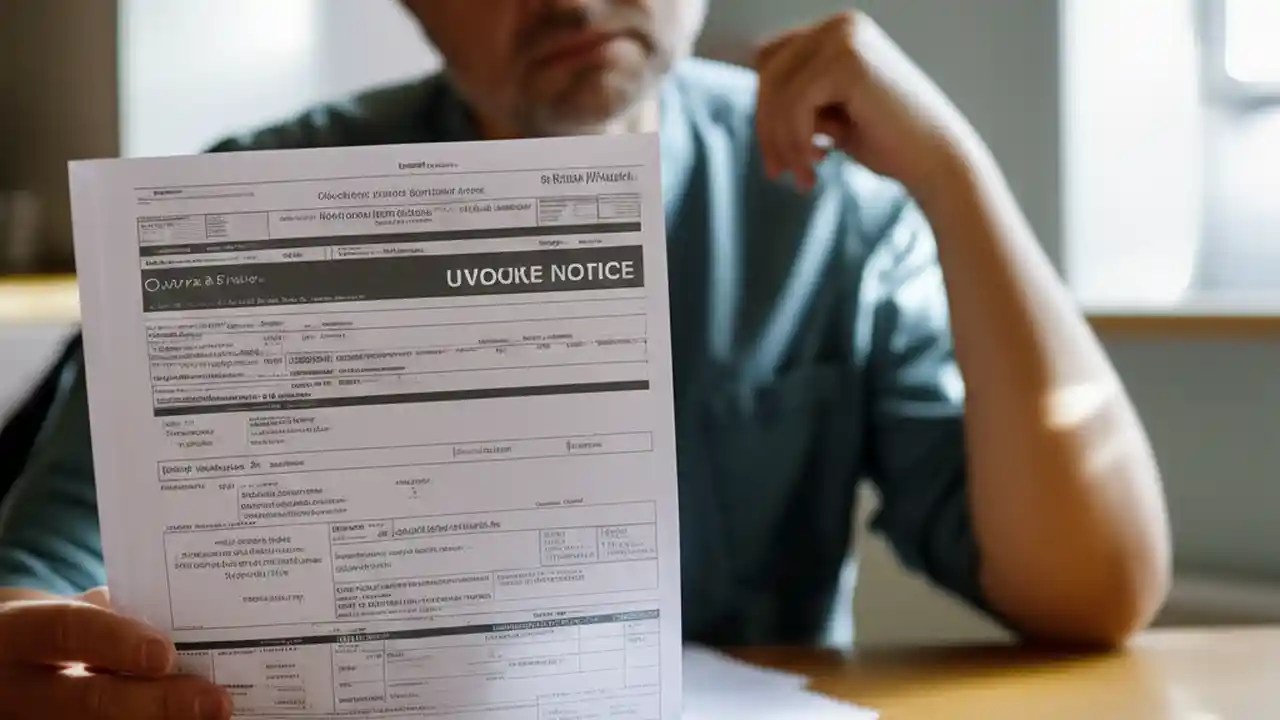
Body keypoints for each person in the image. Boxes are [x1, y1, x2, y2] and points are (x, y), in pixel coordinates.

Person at [0, 1, 1171, 718]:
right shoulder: (238, 206)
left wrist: (956, 177)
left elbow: (1090, 596)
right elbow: (35, 583)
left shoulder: (830, 207)